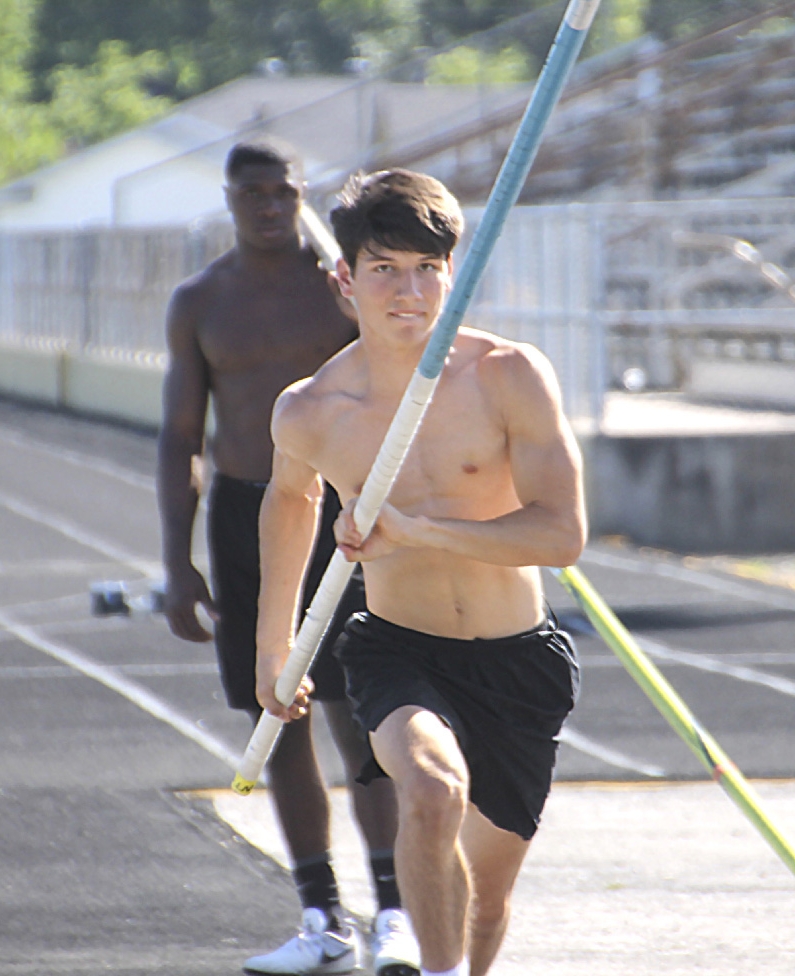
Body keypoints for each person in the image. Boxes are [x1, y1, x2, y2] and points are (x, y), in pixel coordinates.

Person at [253, 169, 587, 976]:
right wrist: (275, 649)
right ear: (345, 279)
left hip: (519, 658)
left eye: (429, 269)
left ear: (455, 271)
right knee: (431, 794)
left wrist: (421, 530)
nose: (410, 291)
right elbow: (290, 504)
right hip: (398, 649)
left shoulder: (509, 374)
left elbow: (562, 534)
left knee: (488, 900)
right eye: (384, 269)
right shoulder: (311, 409)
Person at [156, 141, 419, 976]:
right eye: (252, 194)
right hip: (243, 516)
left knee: (361, 713)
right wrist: (176, 562)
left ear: (301, 194)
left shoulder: (345, 287)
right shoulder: (201, 301)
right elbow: (180, 438)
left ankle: (396, 913)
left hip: (344, 511)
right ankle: (321, 916)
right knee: (279, 715)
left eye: (284, 192)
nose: (269, 206)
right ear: (230, 200)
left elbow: (405, 385)